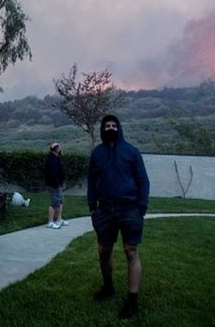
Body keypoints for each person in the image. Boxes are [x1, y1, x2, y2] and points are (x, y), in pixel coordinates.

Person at [88, 115, 150, 320]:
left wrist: (141, 207)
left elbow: (143, 180)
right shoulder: (97, 153)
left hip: (130, 209)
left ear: (119, 128)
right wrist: (91, 207)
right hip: (104, 211)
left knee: (131, 251)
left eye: (114, 125)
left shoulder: (131, 152)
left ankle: (132, 301)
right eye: (107, 125)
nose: (111, 128)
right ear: (102, 129)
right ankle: (108, 288)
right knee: (103, 251)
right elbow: (91, 181)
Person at [44, 142, 68, 229]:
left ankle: (59, 219)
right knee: (54, 203)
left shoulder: (56, 158)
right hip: (54, 185)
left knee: (60, 201)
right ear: (56, 149)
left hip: (58, 184)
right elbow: (52, 174)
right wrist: (56, 184)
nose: (60, 149)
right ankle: (50, 222)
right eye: (59, 148)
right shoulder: (51, 159)